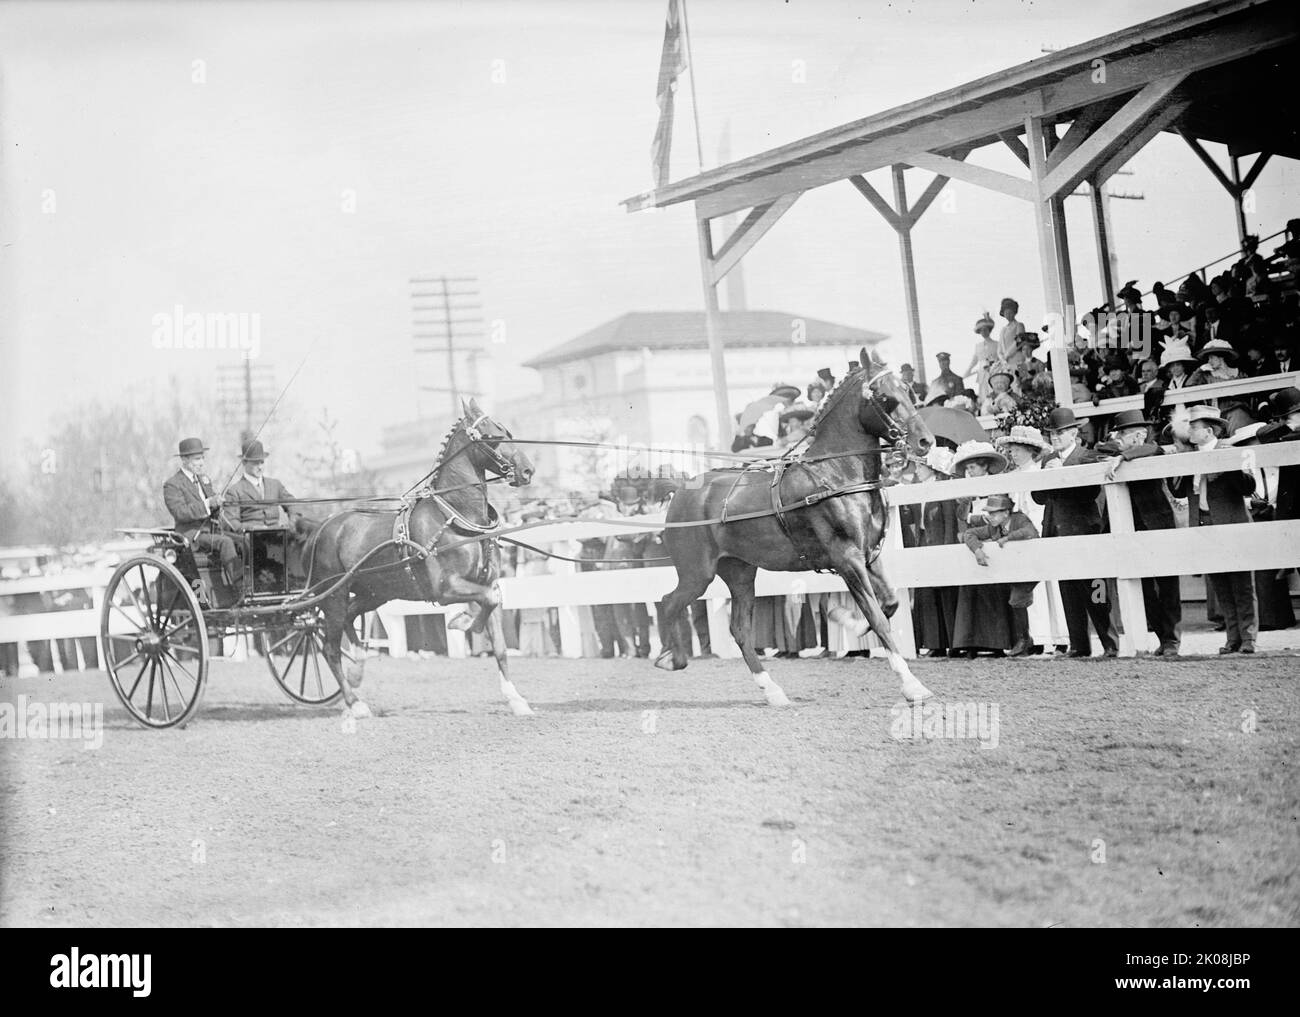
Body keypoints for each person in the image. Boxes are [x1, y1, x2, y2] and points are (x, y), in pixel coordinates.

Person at [1168, 405, 1258, 654]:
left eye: (1193, 428)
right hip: (1204, 524)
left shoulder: (1229, 450)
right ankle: (1233, 638)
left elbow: (1247, 487)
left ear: (1208, 431)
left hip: (1231, 523)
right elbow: (1177, 490)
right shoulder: (1190, 456)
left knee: (1242, 584)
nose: (1189, 432)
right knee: (1221, 585)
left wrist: (1229, 464)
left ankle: (1248, 637)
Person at [1032, 408, 1119, 658]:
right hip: (1058, 533)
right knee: (1069, 592)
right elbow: (1038, 497)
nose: (1055, 437)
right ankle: (1080, 644)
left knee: (1097, 590)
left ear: (1073, 433)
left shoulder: (1086, 456)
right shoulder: (1049, 461)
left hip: (1085, 533)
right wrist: (1048, 474)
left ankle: (1110, 643)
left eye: (1060, 432)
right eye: (1052, 433)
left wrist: (1061, 475)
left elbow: (1090, 493)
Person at [1098, 409, 1183, 655]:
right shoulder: (1113, 452)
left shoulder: (1149, 449)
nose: (1137, 438)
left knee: (1167, 585)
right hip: (1129, 528)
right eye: (1126, 434)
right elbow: (1094, 453)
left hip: (1157, 524)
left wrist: (1122, 456)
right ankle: (1162, 636)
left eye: (1138, 433)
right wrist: (1118, 453)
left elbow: (1152, 448)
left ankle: (1171, 641)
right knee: (1143, 589)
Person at [996, 424, 1065, 653]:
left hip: (1035, 533)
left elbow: (1038, 509)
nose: (1013, 453)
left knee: (1042, 586)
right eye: (1011, 449)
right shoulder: (1010, 477)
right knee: (1023, 588)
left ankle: (1052, 635)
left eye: (1017, 449)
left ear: (1029, 450)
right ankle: (1030, 637)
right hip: (1016, 537)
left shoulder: (1038, 473)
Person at [1224, 421, 1294, 631]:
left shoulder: (1274, 464)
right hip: (1253, 515)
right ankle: (1265, 618)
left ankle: (1281, 616)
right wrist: (1252, 503)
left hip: (1274, 513)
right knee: (1260, 569)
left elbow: (1281, 488)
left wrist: (1273, 505)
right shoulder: (1243, 468)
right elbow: (1236, 494)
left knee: (1276, 566)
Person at [949, 440, 1014, 657]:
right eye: (967, 468)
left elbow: (994, 515)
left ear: (985, 466)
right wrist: (965, 504)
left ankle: (996, 642)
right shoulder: (969, 487)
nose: (970, 472)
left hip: (991, 538)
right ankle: (970, 642)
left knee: (992, 589)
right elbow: (960, 514)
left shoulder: (995, 485)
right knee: (970, 589)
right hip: (973, 540)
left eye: (973, 467)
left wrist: (971, 516)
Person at [162, 436, 244, 596]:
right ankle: (241, 588)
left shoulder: (204, 480)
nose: (201, 463)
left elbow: (212, 505)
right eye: (197, 459)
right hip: (191, 536)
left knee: (245, 541)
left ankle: (257, 586)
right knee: (226, 542)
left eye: (202, 459)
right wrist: (208, 503)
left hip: (211, 532)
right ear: (184, 460)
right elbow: (181, 512)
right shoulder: (172, 484)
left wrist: (218, 504)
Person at [962, 494, 1039, 657]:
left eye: (994, 513)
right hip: (1015, 571)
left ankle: (1025, 640)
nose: (991, 517)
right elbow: (969, 534)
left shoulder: (1019, 519)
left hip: (1032, 566)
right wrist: (977, 550)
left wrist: (1008, 538)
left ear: (1006, 513)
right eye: (989, 513)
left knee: (1017, 599)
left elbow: (1029, 531)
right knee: (1016, 600)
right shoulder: (993, 526)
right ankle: (1025, 640)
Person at [910, 447, 961, 657]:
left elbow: (950, 521)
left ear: (932, 468)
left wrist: (948, 549)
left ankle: (953, 642)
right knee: (927, 595)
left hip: (941, 544)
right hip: (924, 544)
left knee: (946, 594)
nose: (916, 470)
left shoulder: (942, 487)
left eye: (920, 466)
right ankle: (935, 643)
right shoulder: (918, 488)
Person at [961, 313, 1003, 401]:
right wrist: (967, 372)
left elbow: (1000, 358)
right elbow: (974, 360)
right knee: (984, 391)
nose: (984, 332)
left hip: (994, 370)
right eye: (982, 331)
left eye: (986, 330)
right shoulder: (978, 346)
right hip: (982, 372)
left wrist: (995, 366)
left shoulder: (996, 344)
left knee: (994, 389)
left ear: (989, 330)